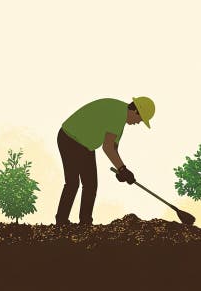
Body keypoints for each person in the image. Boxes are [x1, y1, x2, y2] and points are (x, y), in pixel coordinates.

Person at [55, 96, 155, 225]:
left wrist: (121, 170)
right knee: (73, 183)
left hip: (86, 145)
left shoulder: (121, 115)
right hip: (70, 138)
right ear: (136, 111)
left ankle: (85, 222)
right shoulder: (117, 114)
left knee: (90, 184)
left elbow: (113, 147)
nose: (138, 123)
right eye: (140, 119)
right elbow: (107, 147)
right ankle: (61, 221)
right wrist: (123, 169)